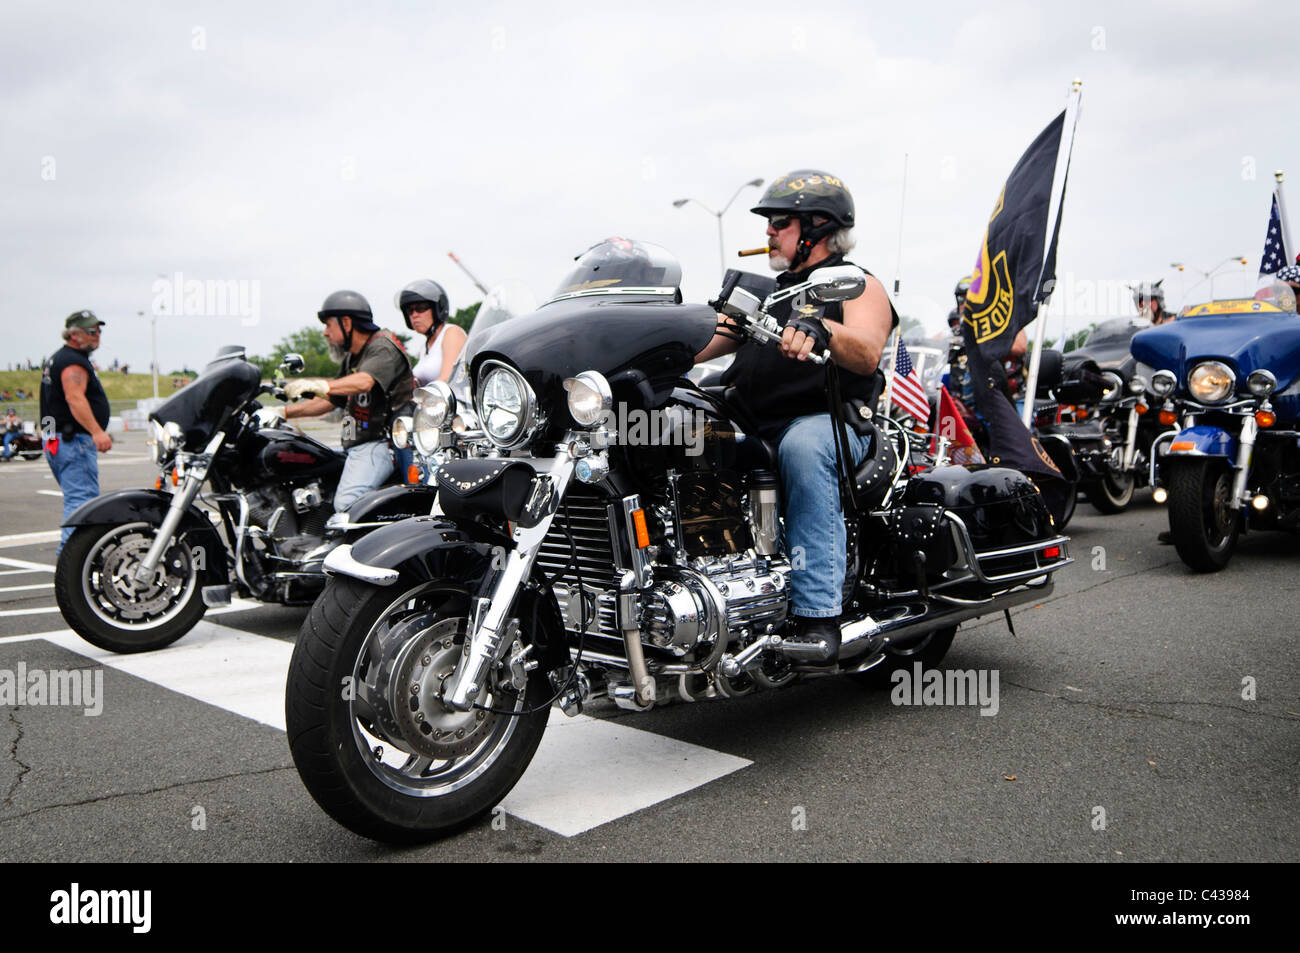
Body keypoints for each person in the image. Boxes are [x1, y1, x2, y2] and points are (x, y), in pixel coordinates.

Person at [695, 170, 896, 664]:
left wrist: (820, 327)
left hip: (829, 425)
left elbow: (868, 352)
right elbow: (705, 343)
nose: (768, 233)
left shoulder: (857, 284)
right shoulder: (767, 295)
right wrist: (651, 344)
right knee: (681, 431)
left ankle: (817, 615)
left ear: (819, 228)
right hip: (754, 422)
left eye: (779, 223)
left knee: (801, 448)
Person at [279, 290, 415, 513]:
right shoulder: (355, 356)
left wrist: (321, 385)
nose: (325, 333)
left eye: (328, 325)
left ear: (346, 322)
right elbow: (331, 400)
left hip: (380, 444)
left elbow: (365, 382)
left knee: (346, 506)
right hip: (357, 445)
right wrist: (284, 412)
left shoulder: (382, 347)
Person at [39, 310, 112, 552]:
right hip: (73, 440)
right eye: (91, 332)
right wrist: (97, 431)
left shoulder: (56, 359)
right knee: (82, 503)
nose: (97, 336)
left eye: (98, 330)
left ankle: (72, 557)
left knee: (77, 499)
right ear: (74, 335)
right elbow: (75, 398)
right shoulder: (73, 362)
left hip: (56, 438)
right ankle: (71, 558)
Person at [396, 279, 467, 386]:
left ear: (437, 309)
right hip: (433, 402)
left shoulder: (452, 333)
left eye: (420, 308)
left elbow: (448, 378)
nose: (414, 315)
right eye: (410, 311)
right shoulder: (425, 349)